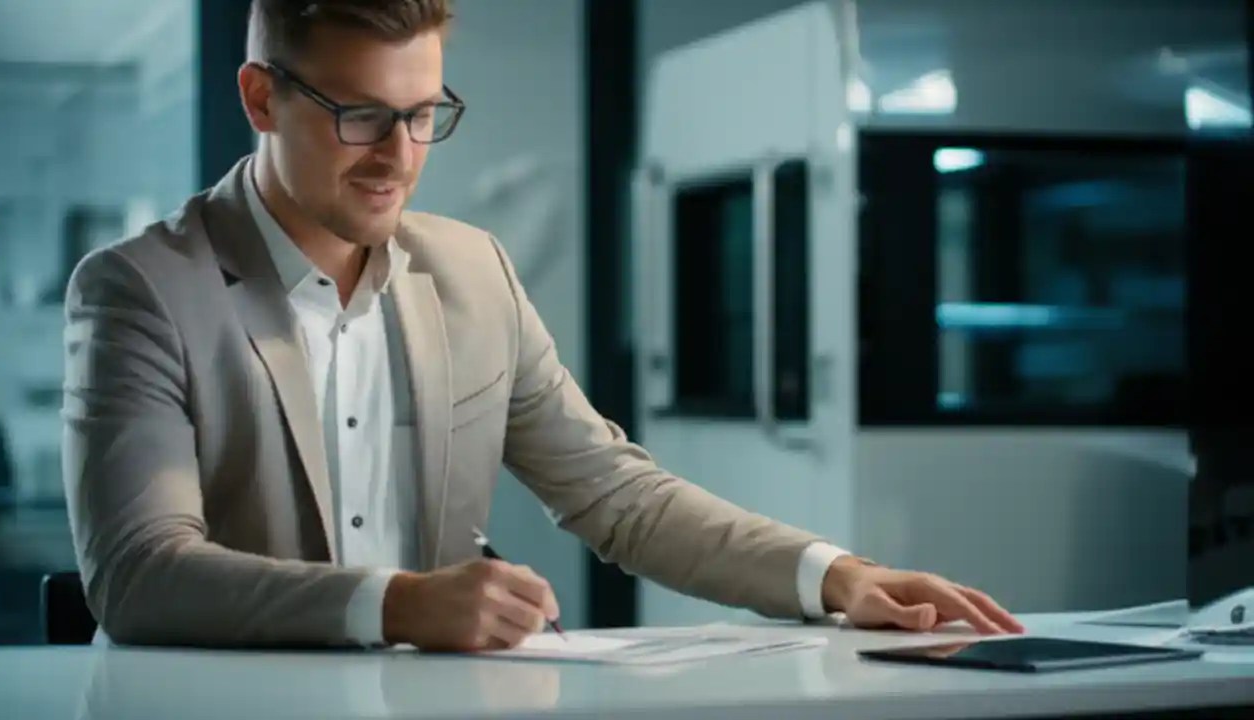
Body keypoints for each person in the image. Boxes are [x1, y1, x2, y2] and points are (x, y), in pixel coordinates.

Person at [62, 0, 1024, 650]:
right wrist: (399, 603)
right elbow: (143, 575)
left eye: (424, 113)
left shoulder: (471, 270)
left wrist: (835, 576)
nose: (398, 157)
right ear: (260, 97)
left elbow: (617, 495)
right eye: (359, 116)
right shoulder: (142, 290)